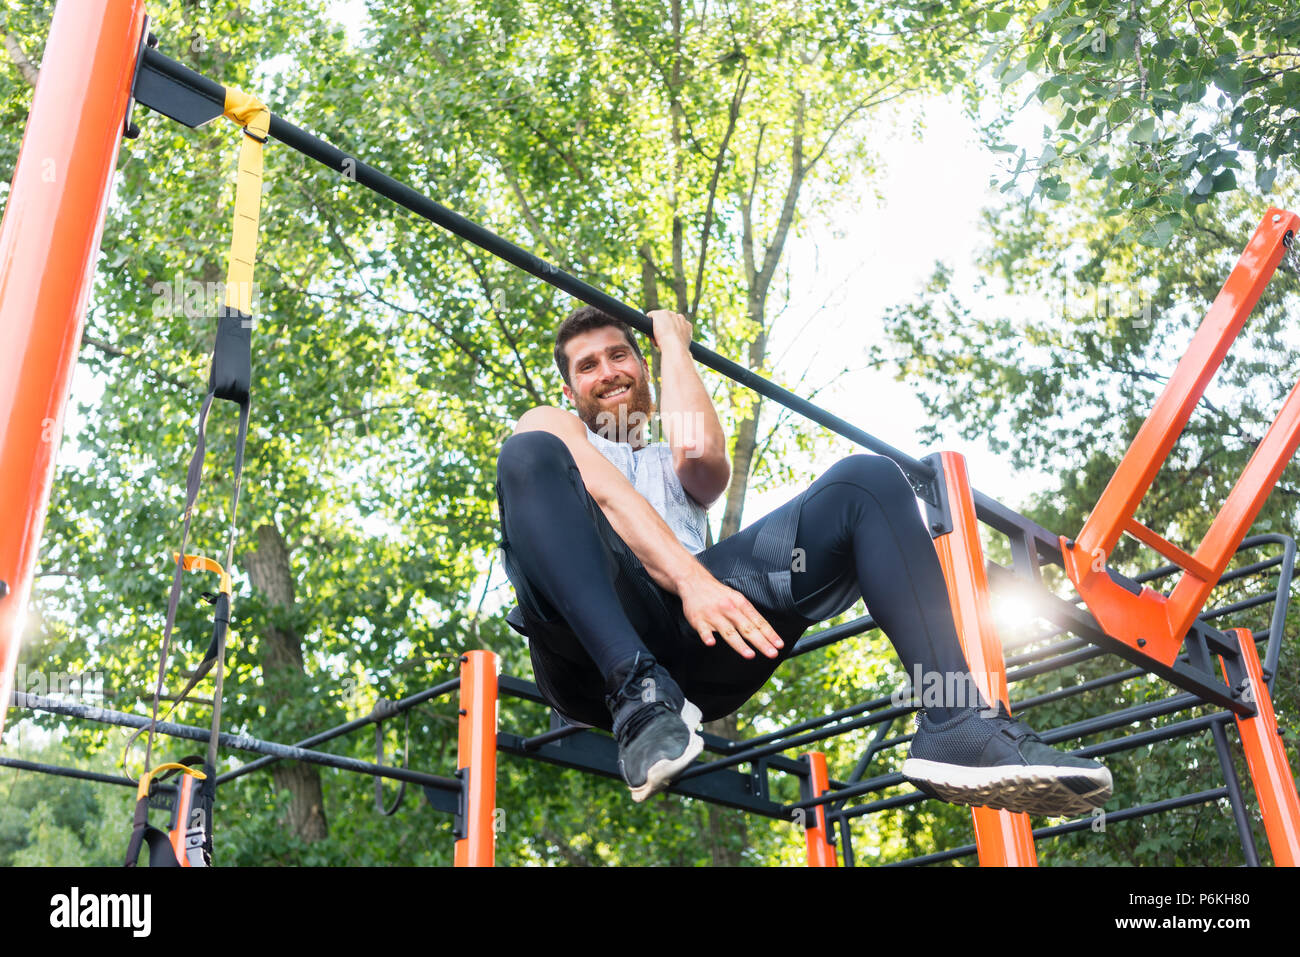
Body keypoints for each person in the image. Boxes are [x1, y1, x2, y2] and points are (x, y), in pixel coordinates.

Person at [494, 304, 1112, 815]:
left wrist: (673, 343)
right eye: (588, 365)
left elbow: (703, 457)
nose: (608, 371)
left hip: (698, 640)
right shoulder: (553, 429)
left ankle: (955, 718)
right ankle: (639, 694)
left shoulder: (667, 459)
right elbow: (600, 488)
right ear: (572, 389)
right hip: (594, 649)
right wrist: (690, 580)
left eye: (619, 354)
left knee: (865, 482)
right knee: (525, 455)